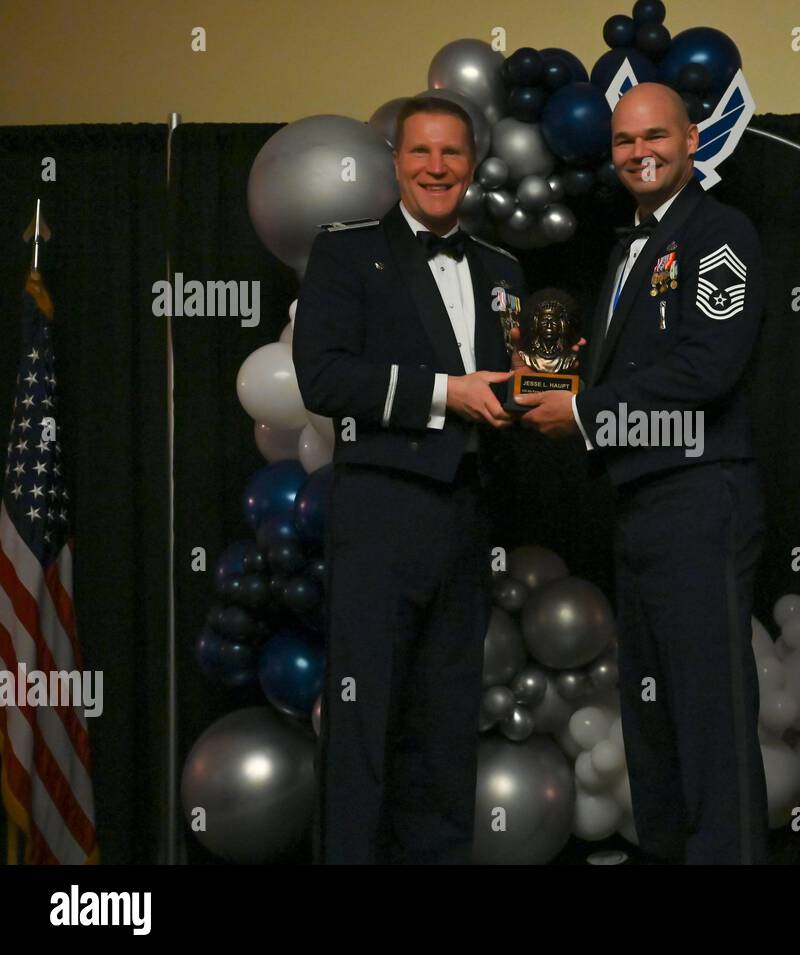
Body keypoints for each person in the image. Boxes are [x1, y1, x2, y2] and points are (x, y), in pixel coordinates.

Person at [515, 82, 768, 864]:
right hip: (642, 503)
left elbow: (706, 368)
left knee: (708, 720)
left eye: (655, 136)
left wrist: (588, 412)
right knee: (652, 722)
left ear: (693, 140)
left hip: (701, 497)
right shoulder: (632, 247)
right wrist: (563, 383)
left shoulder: (718, 233)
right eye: (624, 142)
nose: (639, 153)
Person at [293, 96, 525, 863]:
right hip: (379, 515)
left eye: (452, 154)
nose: (436, 167)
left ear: (472, 164)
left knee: (448, 723)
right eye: (421, 152)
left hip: (467, 516)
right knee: (363, 724)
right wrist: (444, 394)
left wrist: (541, 392)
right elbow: (323, 377)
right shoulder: (347, 251)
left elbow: (506, 390)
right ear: (395, 159)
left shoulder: (503, 269)